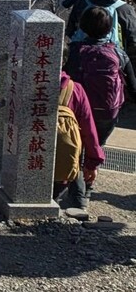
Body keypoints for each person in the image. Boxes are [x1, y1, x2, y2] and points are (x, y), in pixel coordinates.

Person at [65, 4, 136, 147]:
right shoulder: (118, 53)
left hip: (78, 109)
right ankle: (95, 158)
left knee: (75, 144)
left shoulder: (73, 51)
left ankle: (79, 159)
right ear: (110, 28)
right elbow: (133, 87)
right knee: (97, 145)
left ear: (83, 26)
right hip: (107, 112)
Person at [55, 68, 104, 211]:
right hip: (63, 164)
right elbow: (88, 130)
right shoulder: (75, 89)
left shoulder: (26, 83)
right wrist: (92, 163)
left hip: (28, 163)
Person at [65, 0, 136, 63]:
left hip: (80, 59)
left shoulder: (82, 3)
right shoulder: (126, 9)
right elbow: (133, 39)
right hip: (112, 62)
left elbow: (70, 31)